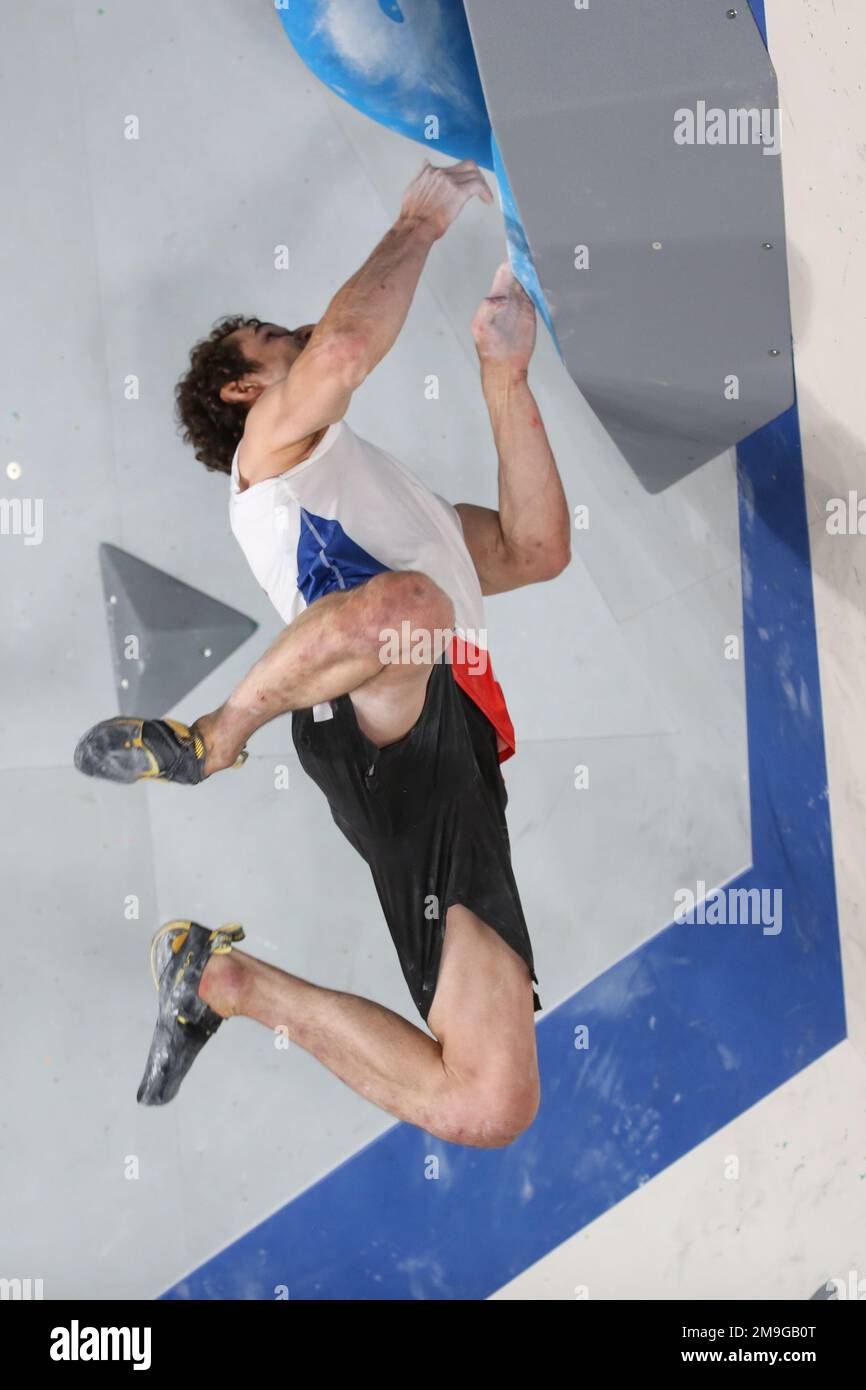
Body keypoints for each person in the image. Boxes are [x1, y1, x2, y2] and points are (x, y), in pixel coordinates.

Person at [75, 160, 571, 1149]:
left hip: (446, 749)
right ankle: (215, 736)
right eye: (272, 338)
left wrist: (501, 377)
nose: (300, 334)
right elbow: (345, 344)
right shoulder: (268, 455)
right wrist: (418, 221)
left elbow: (534, 547)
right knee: (414, 608)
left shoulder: (397, 510)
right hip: (366, 701)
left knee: (490, 1100)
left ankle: (221, 983)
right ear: (242, 386)